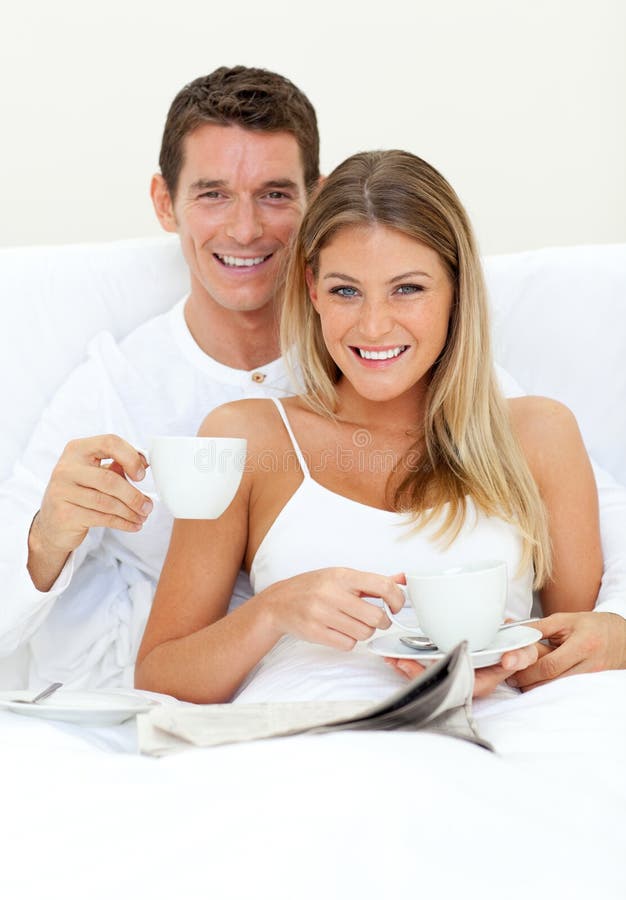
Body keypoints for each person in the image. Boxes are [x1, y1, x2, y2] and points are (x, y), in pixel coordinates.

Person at [0, 68, 624, 692]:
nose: (245, 229)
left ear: (311, 198)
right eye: (213, 193)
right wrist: (46, 535)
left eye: (273, 194)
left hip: (480, 727)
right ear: (166, 202)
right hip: (280, 726)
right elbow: (159, 670)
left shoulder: (509, 413)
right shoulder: (150, 399)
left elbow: (583, 594)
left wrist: (605, 633)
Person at [134, 149, 604, 704]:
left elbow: (576, 648)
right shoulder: (246, 438)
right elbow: (160, 676)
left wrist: (519, 660)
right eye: (345, 291)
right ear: (312, 291)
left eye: (408, 288)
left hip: (479, 747)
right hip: (298, 755)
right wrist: (272, 611)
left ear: (457, 290)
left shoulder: (539, 435)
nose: (374, 325)